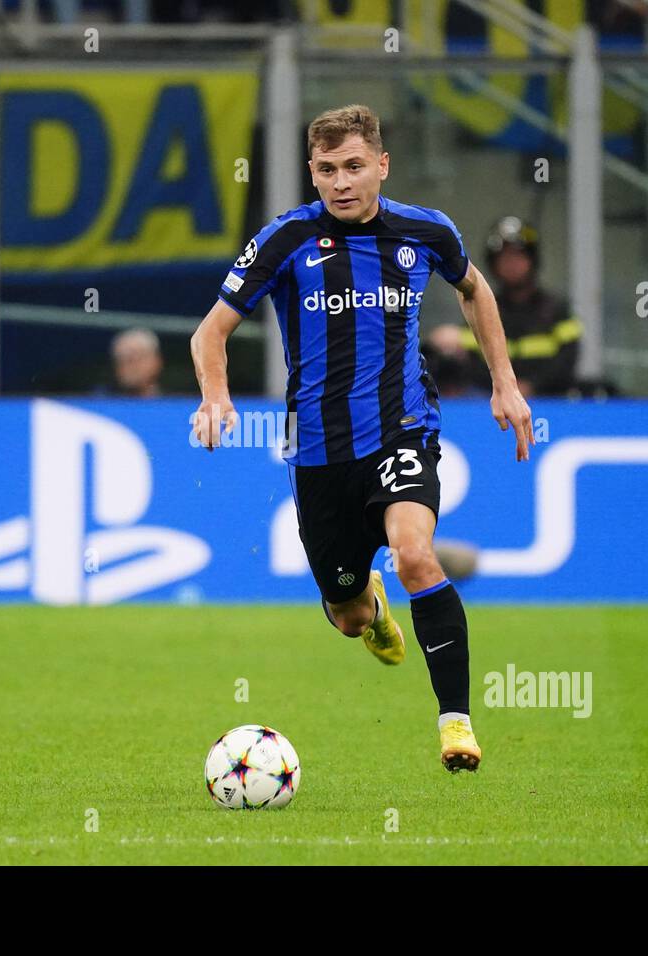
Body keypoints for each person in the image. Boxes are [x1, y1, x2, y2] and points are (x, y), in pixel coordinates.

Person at [189, 104, 533, 774]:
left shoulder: (424, 231)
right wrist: (214, 396)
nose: (341, 182)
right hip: (319, 456)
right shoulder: (286, 240)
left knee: (416, 557)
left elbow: (474, 288)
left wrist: (505, 382)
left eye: (353, 166)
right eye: (326, 169)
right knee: (346, 613)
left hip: (402, 431)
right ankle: (370, 607)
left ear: (381, 164)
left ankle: (455, 723)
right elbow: (211, 332)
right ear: (311, 173)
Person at [458, 217, 581, 397]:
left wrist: (531, 386)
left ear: (532, 260)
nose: (512, 264)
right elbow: (470, 363)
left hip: (552, 403)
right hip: (492, 403)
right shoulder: (480, 307)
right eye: (504, 257)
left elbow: (567, 360)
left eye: (518, 256)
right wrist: (504, 387)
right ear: (493, 263)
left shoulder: (557, 310)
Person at [109, 327, 164, 398]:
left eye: (138, 357)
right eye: (122, 358)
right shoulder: (98, 403)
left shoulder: (176, 403)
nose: (131, 366)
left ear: (156, 362)